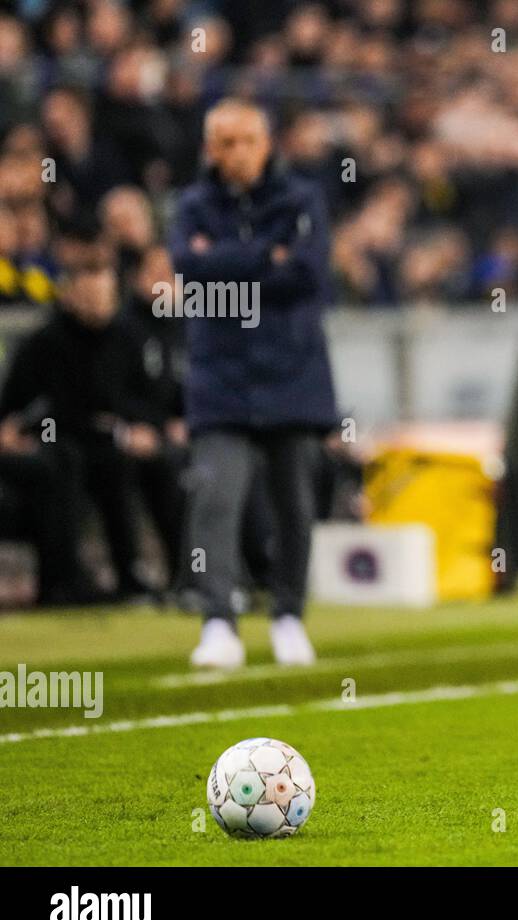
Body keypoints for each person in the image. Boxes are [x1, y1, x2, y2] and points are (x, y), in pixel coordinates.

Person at [168, 98, 337, 669]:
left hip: (292, 372)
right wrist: (268, 256)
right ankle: (218, 619)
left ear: (267, 145)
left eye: (245, 140)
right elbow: (190, 276)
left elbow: (307, 274)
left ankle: (288, 613)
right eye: (222, 141)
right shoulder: (190, 205)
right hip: (221, 376)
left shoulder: (303, 197)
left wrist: (225, 261)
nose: (233, 152)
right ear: (208, 148)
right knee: (215, 496)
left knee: (295, 504)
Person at [0, 228, 162, 602]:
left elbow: (146, 399)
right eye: (88, 294)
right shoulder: (44, 344)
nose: (96, 304)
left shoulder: (127, 339)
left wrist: (144, 428)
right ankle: (62, 581)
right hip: (55, 440)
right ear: (70, 294)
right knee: (66, 462)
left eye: (103, 295)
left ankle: (132, 575)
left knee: (124, 464)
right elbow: (21, 407)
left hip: (110, 442)